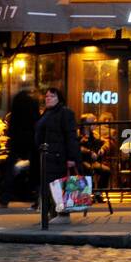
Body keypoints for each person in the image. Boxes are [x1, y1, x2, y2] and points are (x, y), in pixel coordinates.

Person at [34, 86, 80, 224]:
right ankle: (52, 214)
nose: (48, 98)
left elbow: (71, 136)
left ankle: (63, 215)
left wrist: (72, 157)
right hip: (47, 156)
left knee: (60, 185)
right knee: (50, 186)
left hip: (59, 156)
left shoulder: (65, 113)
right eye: (47, 96)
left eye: (52, 96)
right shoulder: (47, 113)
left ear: (59, 98)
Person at [0, 89, 40, 208]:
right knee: (36, 167)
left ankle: (5, 195)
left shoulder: (18, 100)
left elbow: (13, 122)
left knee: (11, 165)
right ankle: (35, 195)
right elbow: (35, 120)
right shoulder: (32, 102)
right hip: (31, 138)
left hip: (18, 138)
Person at [78, 113, 112, 196]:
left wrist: (103, 149)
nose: (96, 124)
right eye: (93, 122)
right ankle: (87, 194)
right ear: (86, 124)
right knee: (88, 170)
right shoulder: (78, 134)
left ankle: (98, 193)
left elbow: (106, 142)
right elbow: (75, 147)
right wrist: (89, 151)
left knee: (106, 171)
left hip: (92, 161)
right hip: (81, 160)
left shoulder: (95, 134)